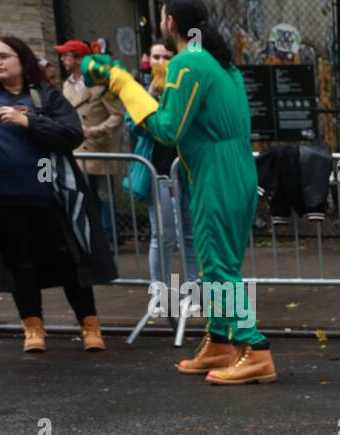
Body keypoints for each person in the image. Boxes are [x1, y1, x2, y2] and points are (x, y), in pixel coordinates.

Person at [83, 0, 275, 384]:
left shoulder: (188, 63)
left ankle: (256, 350)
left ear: (169, 21)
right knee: (220, 265)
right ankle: (221, 340)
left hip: (215, 176)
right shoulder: (220, 61)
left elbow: (168, 129)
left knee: (218, 268)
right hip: (237, 168)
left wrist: (122, 83)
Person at [0, 36, 114, 352]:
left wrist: (28, 121)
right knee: (21, 265)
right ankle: (32, 329)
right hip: (6, 199)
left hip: (51, 195)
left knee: (70, 262)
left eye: (4, 56)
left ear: (22, 60)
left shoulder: (44, 96)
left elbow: (72, 133)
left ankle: (90, 325)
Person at [125, 41, 198, 325]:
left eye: (167, 57)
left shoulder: (183, 87)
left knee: (189, 234)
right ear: (147, 59)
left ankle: (193, 292)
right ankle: (161, 294)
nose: (161, 61)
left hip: (184, 172)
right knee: (162, 235)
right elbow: (132, 126)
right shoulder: (142, 93)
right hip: (157, 173)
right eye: (156, 56)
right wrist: (150, 97)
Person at [56, 39, 123, 249]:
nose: (62, 59)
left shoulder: (99, 83)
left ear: (78, 58)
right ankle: (93, 242)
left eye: (66, 55)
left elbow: (117, 115)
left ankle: (109, 241)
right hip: (77, 150)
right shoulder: (66, 85)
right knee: (85, 197)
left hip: (99, 148)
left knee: (104, 198)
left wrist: (94, 130)